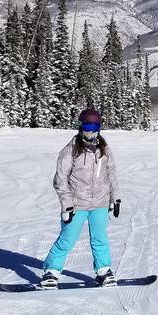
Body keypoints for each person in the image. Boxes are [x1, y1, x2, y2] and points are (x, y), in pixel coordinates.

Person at [41, 108, 122, 288]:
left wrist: (115, 198)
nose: (90, 132)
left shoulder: (104, 150)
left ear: (99, 128)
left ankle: (103, 271)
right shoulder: (70, 150)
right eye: (87, 128)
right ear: (80, 127)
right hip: (77, 204)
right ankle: (51, 271)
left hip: (100, 202)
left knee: (100, 238)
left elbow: (112, 174)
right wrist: (67, 205)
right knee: (67, 239)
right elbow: (60, 179)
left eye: (94, 128)